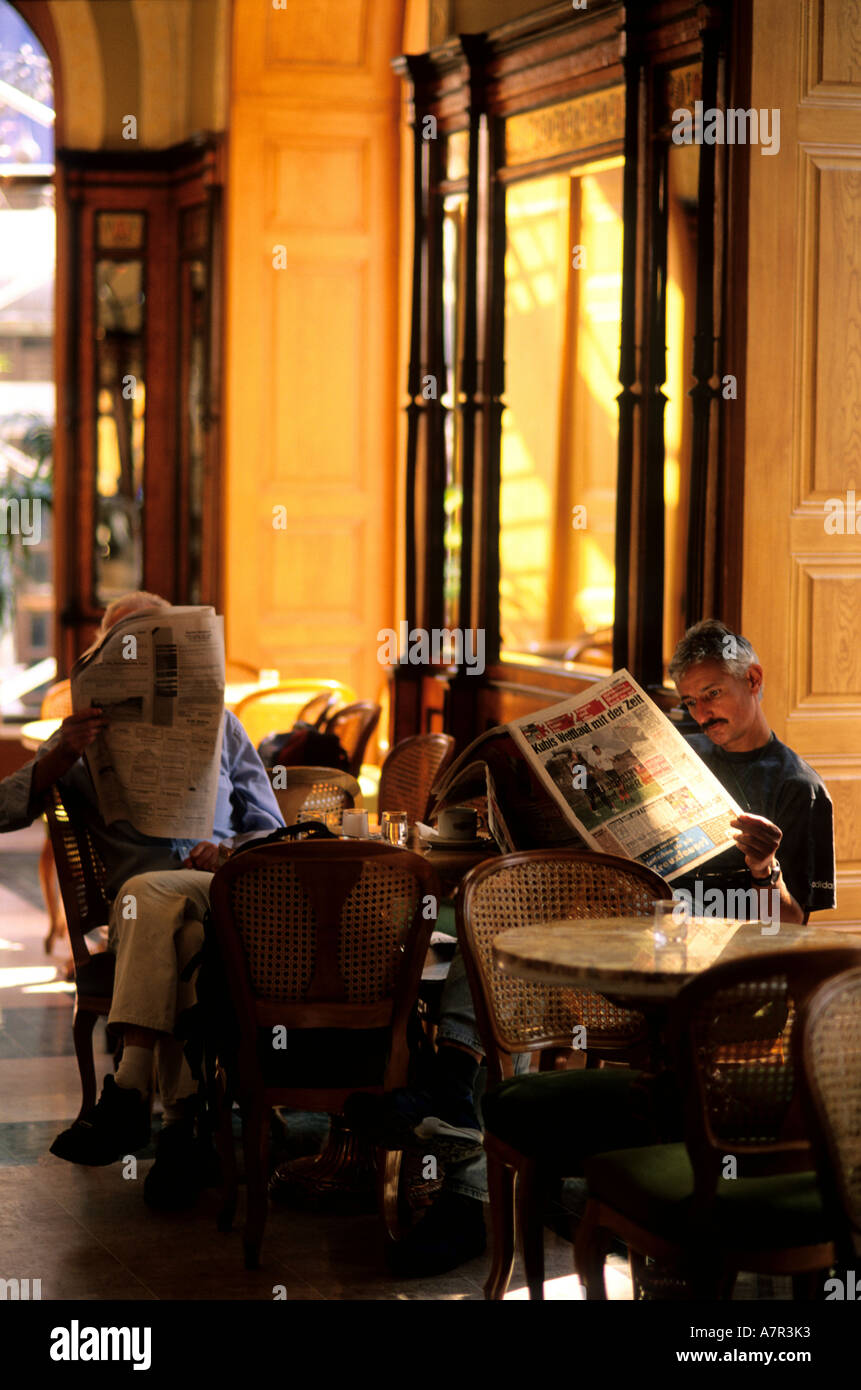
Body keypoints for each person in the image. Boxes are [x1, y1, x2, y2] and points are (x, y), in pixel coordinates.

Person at [345, 618, 836, 1276]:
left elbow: (792, 928)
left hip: (713, 985)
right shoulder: (675, 750)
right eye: (687, 700)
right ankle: (457, 1077)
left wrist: (762, 869)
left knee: (521, 987)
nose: (699, 712)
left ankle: (460, 1174)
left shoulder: (794, 789)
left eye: (711, 695)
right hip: (627, 942)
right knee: (492, 909)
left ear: (752, 681)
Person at [0, 592, 283, 1207]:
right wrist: (60, 753)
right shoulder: (78, 747)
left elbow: (270, 824)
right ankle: (183, 1128)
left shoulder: (222, 724)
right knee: (168, 924)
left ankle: (130, 1093)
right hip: (146, 920)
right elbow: (1, 810)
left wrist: (228, 848)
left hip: (224, 896)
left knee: (154, 898)